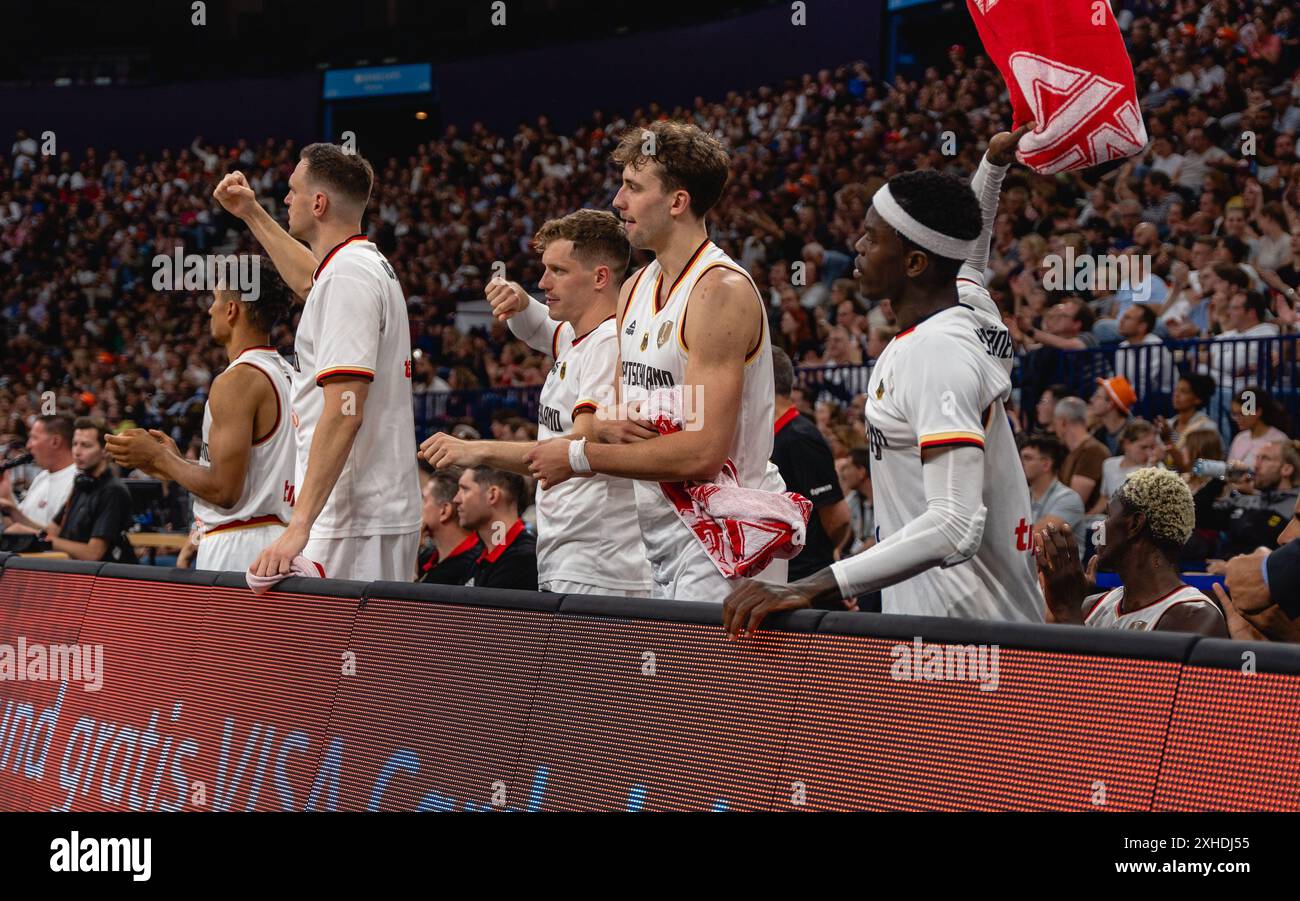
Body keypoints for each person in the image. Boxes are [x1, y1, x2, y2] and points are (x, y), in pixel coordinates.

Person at [722, 126, 1046, 632]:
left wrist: (813, 585)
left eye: (873, 237)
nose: (857, 244)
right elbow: (971, 253)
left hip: (963, 636)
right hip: (959, 622)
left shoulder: (934, 352)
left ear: (915, 263)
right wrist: (993, 167)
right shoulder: (969, 306)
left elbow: (955, 524)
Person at [521, 120, 790, 602]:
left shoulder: (718, 290)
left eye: (632, 187)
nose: (618, 202)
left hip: (725, 534)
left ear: (677, 202)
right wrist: (604, 426)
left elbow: (703, 452)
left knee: (704, 681)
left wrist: (578, 455)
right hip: (659, 535)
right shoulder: (634, 288)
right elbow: (619, 418)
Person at [214, 143, 420, 582]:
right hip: (365, 512)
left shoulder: (347, 276)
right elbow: (311, 280)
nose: (286, 199)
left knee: (339, 651)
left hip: (351, 517)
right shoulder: (357, 265)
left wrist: (299, 526)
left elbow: (344, 412)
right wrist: (251, 213)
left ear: (319, 203)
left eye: (292, 190)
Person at [421, 209, 650, 596]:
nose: (544, 281)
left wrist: (477, 451)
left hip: (599, 563)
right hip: (572, 555)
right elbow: (541, 325)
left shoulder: (608, 344)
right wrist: (520, 299)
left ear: (600, 277)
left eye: (558, 271)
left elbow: (575, 447)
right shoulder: (579, 338)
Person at [106, 267, 295, 572]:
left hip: (241, 546)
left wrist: (158, 457)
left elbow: (225, 492)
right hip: (276, 539)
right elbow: (249, 477)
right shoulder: (286, 372)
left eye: (215, 299)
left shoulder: (238, 380)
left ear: (232, 310)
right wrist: (176, 462)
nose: (210, 308)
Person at [1036, 467, 1226, 635]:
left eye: (1109, 515)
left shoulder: (1193, 616)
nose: (1099, 527)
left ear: (1135, 524)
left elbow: (1113, 677)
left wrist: (1069, 615)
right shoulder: (1091, 605)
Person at [770, 347, 850, 591]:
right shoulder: (770, 437)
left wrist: (818, 566)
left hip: (806, 583)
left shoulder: (800, 437)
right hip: (783, 579)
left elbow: (839, 519)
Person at [40, 419, 137, 563]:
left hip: (104, 580)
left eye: (85, 445)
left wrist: (48, 541)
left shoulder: (113, 491)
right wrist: (13, 512)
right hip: (76, 573)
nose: (77, 451)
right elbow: (51, 531)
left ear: (105, 450)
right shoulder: (81, 484)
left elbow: (93, 553)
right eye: (75, 444)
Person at [1211, 439, 1300, 558]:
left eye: (1265, 458)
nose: (1256, 465)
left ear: (1286, 469)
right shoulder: (1248, 499)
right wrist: (1224, 476)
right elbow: (1204, 517)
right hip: (1215, 571)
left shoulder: (1295, 508)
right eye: (1257, 458)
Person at [456, 466, 537, 591]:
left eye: (465, 489)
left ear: (492, 495)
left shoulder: (523, 560)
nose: (456, 499)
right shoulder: (478, 558)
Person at [0, 414, 76, 534]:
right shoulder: (42, 477)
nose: (28, 445)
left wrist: (11, 510)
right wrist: (6, 495)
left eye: (34, 438)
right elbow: (17, 526)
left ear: (55, 441)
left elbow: (61, 540)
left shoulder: (75, 482)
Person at [416, 466, 481, 585]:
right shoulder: (428, 556)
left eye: (424, 499)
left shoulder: (475, 566)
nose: (417, 507)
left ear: (444, 511)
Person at [1020, 436, 1085, 543]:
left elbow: (1034, 537)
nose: (1020, 464)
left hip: (1059, 559)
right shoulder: (1022, 495)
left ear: (1046, 464)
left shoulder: (1069, 498)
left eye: (1027, 458)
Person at [1054, 396, 1109, 511]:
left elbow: (1073, 504)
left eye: (1056, 423)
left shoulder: (1092, 452)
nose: (1055, 429)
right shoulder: (1075, 452)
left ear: (1063, 422)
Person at [1098, 420, 1162, 514]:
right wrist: (1087, 517)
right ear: (1127, 444)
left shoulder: (1156, 468)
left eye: (1152, 447)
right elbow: (1105, 498)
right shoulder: (1108, 464)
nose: (1149, 453)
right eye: (1143, 447)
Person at [1156, 374, 1218, 471]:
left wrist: (1167, 440)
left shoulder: (1206, 427)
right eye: (1176, 390)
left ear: (1198, 399)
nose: (1176, 394)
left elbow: (1193, 467)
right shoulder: (1168, 424)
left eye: (1184, 392)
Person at [1114, 304, 1174, 396]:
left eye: (1127, 318)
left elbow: (1143, 385)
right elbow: (1121, 381)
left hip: (1162, 400)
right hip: (1133, 398)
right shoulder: (1122, 347)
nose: (1121, 320)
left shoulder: (1155, 346)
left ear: (1142, 326)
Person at [1226, 386, 1290, 467]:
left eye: (1242, 414)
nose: (1237, 419)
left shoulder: (1279, 440)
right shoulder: (1239, 438)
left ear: (1258, 411)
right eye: (1235, 414)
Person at [1089, 375, 1136, 455]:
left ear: (1110, 404)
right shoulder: (1098, 434)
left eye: (1098, 397)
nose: (1091, 400)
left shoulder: (1136, 434)